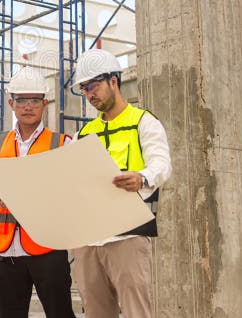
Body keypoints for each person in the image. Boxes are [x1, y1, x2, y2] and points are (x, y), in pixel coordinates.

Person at [71, 49, 172, 318]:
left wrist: (142, 178)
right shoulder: (83, 133)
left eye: (93, 86)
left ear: (113, 81)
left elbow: (162, 164)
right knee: (95, 311)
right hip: (89, 238)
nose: (89, 94)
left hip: (128, 234)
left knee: (136, 311)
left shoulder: (143, 122)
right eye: (84, 88)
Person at [0, 66, 76, 318]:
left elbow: (75, 192)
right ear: (11, 103)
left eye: (34, 100)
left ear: (44, 103)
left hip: (48, 247)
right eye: (21, 100)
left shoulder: (62, 144)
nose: (28, 106)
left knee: (60, 313)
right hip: (8, 250)